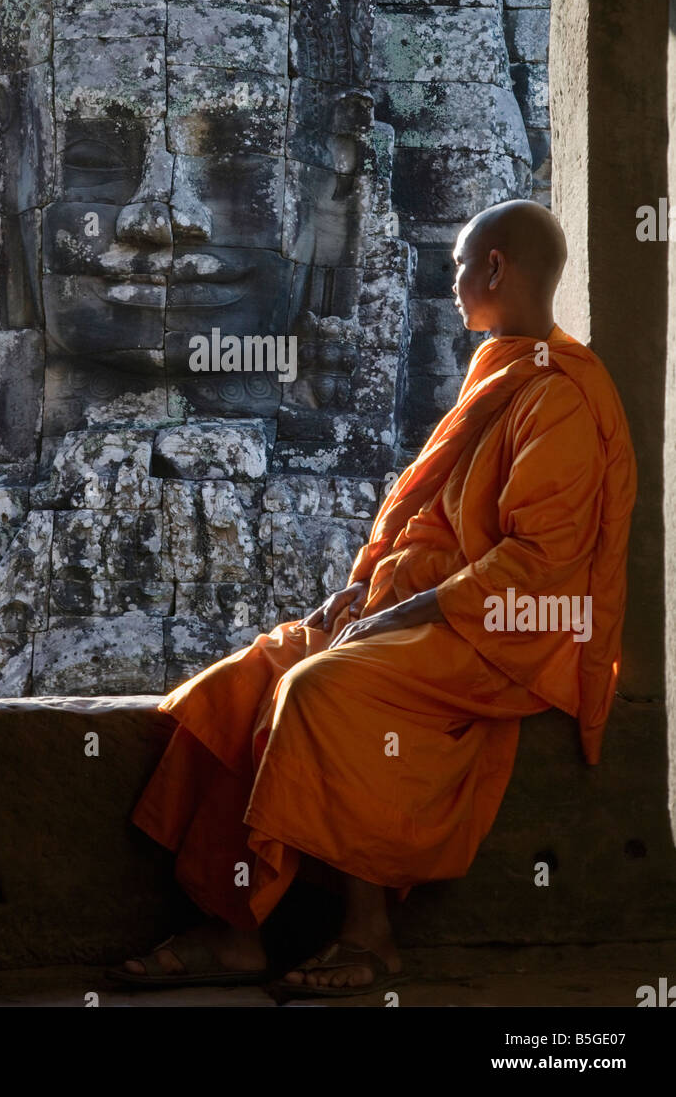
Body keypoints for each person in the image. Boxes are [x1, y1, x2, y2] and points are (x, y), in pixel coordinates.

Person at [106, 200, 637, 1000]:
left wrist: (401, 614)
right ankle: (239, 931)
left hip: (504, 633)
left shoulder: (557, 396)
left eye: (460, 264)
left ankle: (371, 936)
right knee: (255, 673)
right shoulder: (505, 371)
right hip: (434, 605)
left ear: (496, 267)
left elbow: (535, 564)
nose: (450, 281)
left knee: (323, 689)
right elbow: (441, 525)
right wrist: (362, 593)